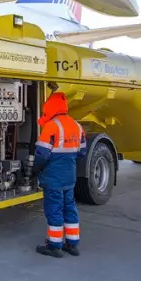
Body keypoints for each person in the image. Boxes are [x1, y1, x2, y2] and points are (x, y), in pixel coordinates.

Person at [33, 85, 86, 258]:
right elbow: (82, 152)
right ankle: (72, 244)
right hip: (69, 177)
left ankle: (54, 246)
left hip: (53, 177)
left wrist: (35, 170)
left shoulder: (51, 126)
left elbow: (41, 154)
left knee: (54, 209)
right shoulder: (77, 126)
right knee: (69, 207)